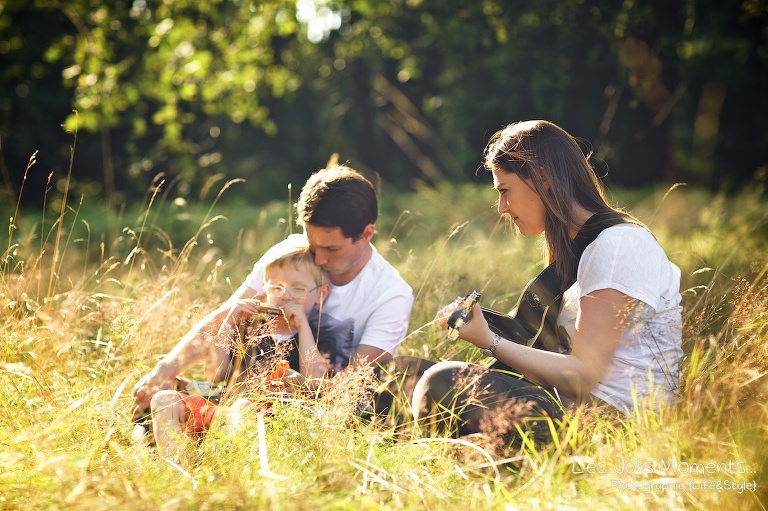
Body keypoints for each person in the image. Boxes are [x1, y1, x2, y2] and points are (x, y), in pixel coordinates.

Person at [412, 120, 682, 443]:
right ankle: (471, 449)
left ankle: (472, 450)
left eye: (504, 191)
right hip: (567, 407)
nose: (502, 208)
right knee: (407, 375)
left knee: (440, 382)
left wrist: (490, 341)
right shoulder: (581, 250)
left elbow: (584, 375)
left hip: (610, 426)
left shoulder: (616, 246)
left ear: (542, 178)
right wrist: (483, 327)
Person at [131, 164, 414, 447]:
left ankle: (214, 439)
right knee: (157, 399)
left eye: (331, 249)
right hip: (237, 395)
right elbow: (226, 316)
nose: (318, 259)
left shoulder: (391, 294)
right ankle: (177, 446)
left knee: (246, 413)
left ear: (367, 234)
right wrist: (165, 369)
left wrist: (300, 385)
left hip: (308, 410)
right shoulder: (291, 256)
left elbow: (354, 385)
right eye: (312, 244)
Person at [149, 237, 330, 457]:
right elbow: (214, 374)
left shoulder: (319, 334)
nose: (285, 295)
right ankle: (176, 463)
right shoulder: (249, 326)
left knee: (243, 407)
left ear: (321, 294)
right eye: (276, 287)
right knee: (163, 399)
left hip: (268, 419)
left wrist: (302, 327)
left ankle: (228, 462)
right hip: (224, 405)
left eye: (298, 288)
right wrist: (230, 320)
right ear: (264, 289)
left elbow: (315, 385)